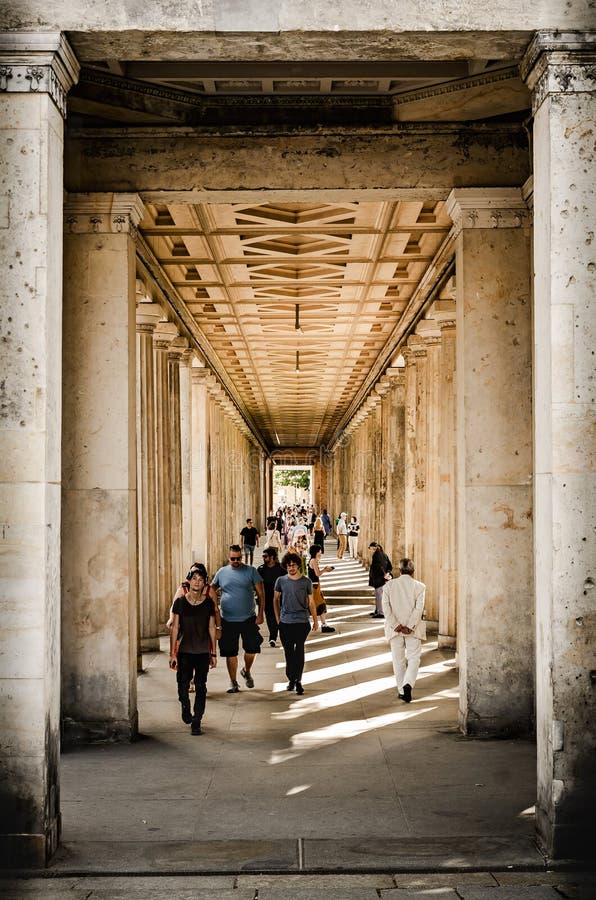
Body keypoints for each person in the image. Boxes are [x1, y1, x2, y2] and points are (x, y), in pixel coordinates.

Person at [169, 569, 217, 735]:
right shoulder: (180, 602)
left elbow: (211, 628)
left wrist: (213, 653)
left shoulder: (208, 603)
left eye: (200, 579)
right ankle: (185, 706)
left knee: (200, 686)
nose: (197, 582)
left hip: (202, 651)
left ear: (204, 584)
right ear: (189, 581)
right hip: (184, 651)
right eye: (194, 578)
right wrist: (172, 653)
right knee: (182, 686)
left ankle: (197, 721)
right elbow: (175, 628)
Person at [211, 544, 265, 693]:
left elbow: (261, 594)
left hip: (248, 618)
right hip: (227, 619)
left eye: (238, 558)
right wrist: (214, 609)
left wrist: (261, 614)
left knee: (252, 648)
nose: (236, 561)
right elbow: (211, 589)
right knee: (230, 652)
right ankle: (233, 682)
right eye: (233, 559)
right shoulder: (222, 572)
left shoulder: (251, 571)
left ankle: (246, 671)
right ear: (228, 558)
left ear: (242, 557)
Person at [274, 550, 319, 695]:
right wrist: (278, 618)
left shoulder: (306, 582)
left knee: (299, 650)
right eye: (288, 565)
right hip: (285, 622)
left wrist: (315, 620)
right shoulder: (281, 581)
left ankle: (298, 680)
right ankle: (291, 679)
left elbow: (311, 602)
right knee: (288, 652)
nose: (291, 568)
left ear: (298, 565)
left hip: (301, 621)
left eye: (293, 565)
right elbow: (275, 600)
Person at [382, 558, 426, 703]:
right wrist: (410, 626)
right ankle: (408, 684)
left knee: (398, 660)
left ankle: (402, 690)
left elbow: (386, 607)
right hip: (413, 630)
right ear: (413, 571)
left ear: (399, 570)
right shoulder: (420, 587)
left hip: (395, 630)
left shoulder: (389, 586)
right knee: (414, 658)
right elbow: (418, 609)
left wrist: (395, 625)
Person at [257, 547, 285, 647]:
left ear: (272, 557)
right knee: (269, 618)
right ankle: (272, 637)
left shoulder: (281, 568)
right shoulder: (261, 569)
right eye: (263, 556)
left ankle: (277, 635)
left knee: (279, 616)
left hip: (279, 597)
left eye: (265, 556)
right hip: (266, 597)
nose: (263, 558)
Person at [308, 544, 335, 633]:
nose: (320, 553)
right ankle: (323, 625)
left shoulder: (313, 560)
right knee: (321, 604)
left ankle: (323, 624)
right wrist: (325, 570)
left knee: (319, 604)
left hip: (315, 585)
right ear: (316, 552)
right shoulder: (314, 561)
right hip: (314, 586)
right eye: (319, 551)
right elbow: (317, 574)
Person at [368, 542, 393, 617]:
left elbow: (379, 567)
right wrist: (388, 573)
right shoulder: (384, 554)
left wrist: (384, 575)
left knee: (379, 596)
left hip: (379, 579)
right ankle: (377, 610)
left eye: (371, 549)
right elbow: (390, 566)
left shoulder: (376, 555)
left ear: (374, 548)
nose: (370, 551)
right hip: (382, 578)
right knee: (379, 595)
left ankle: (381, 613)